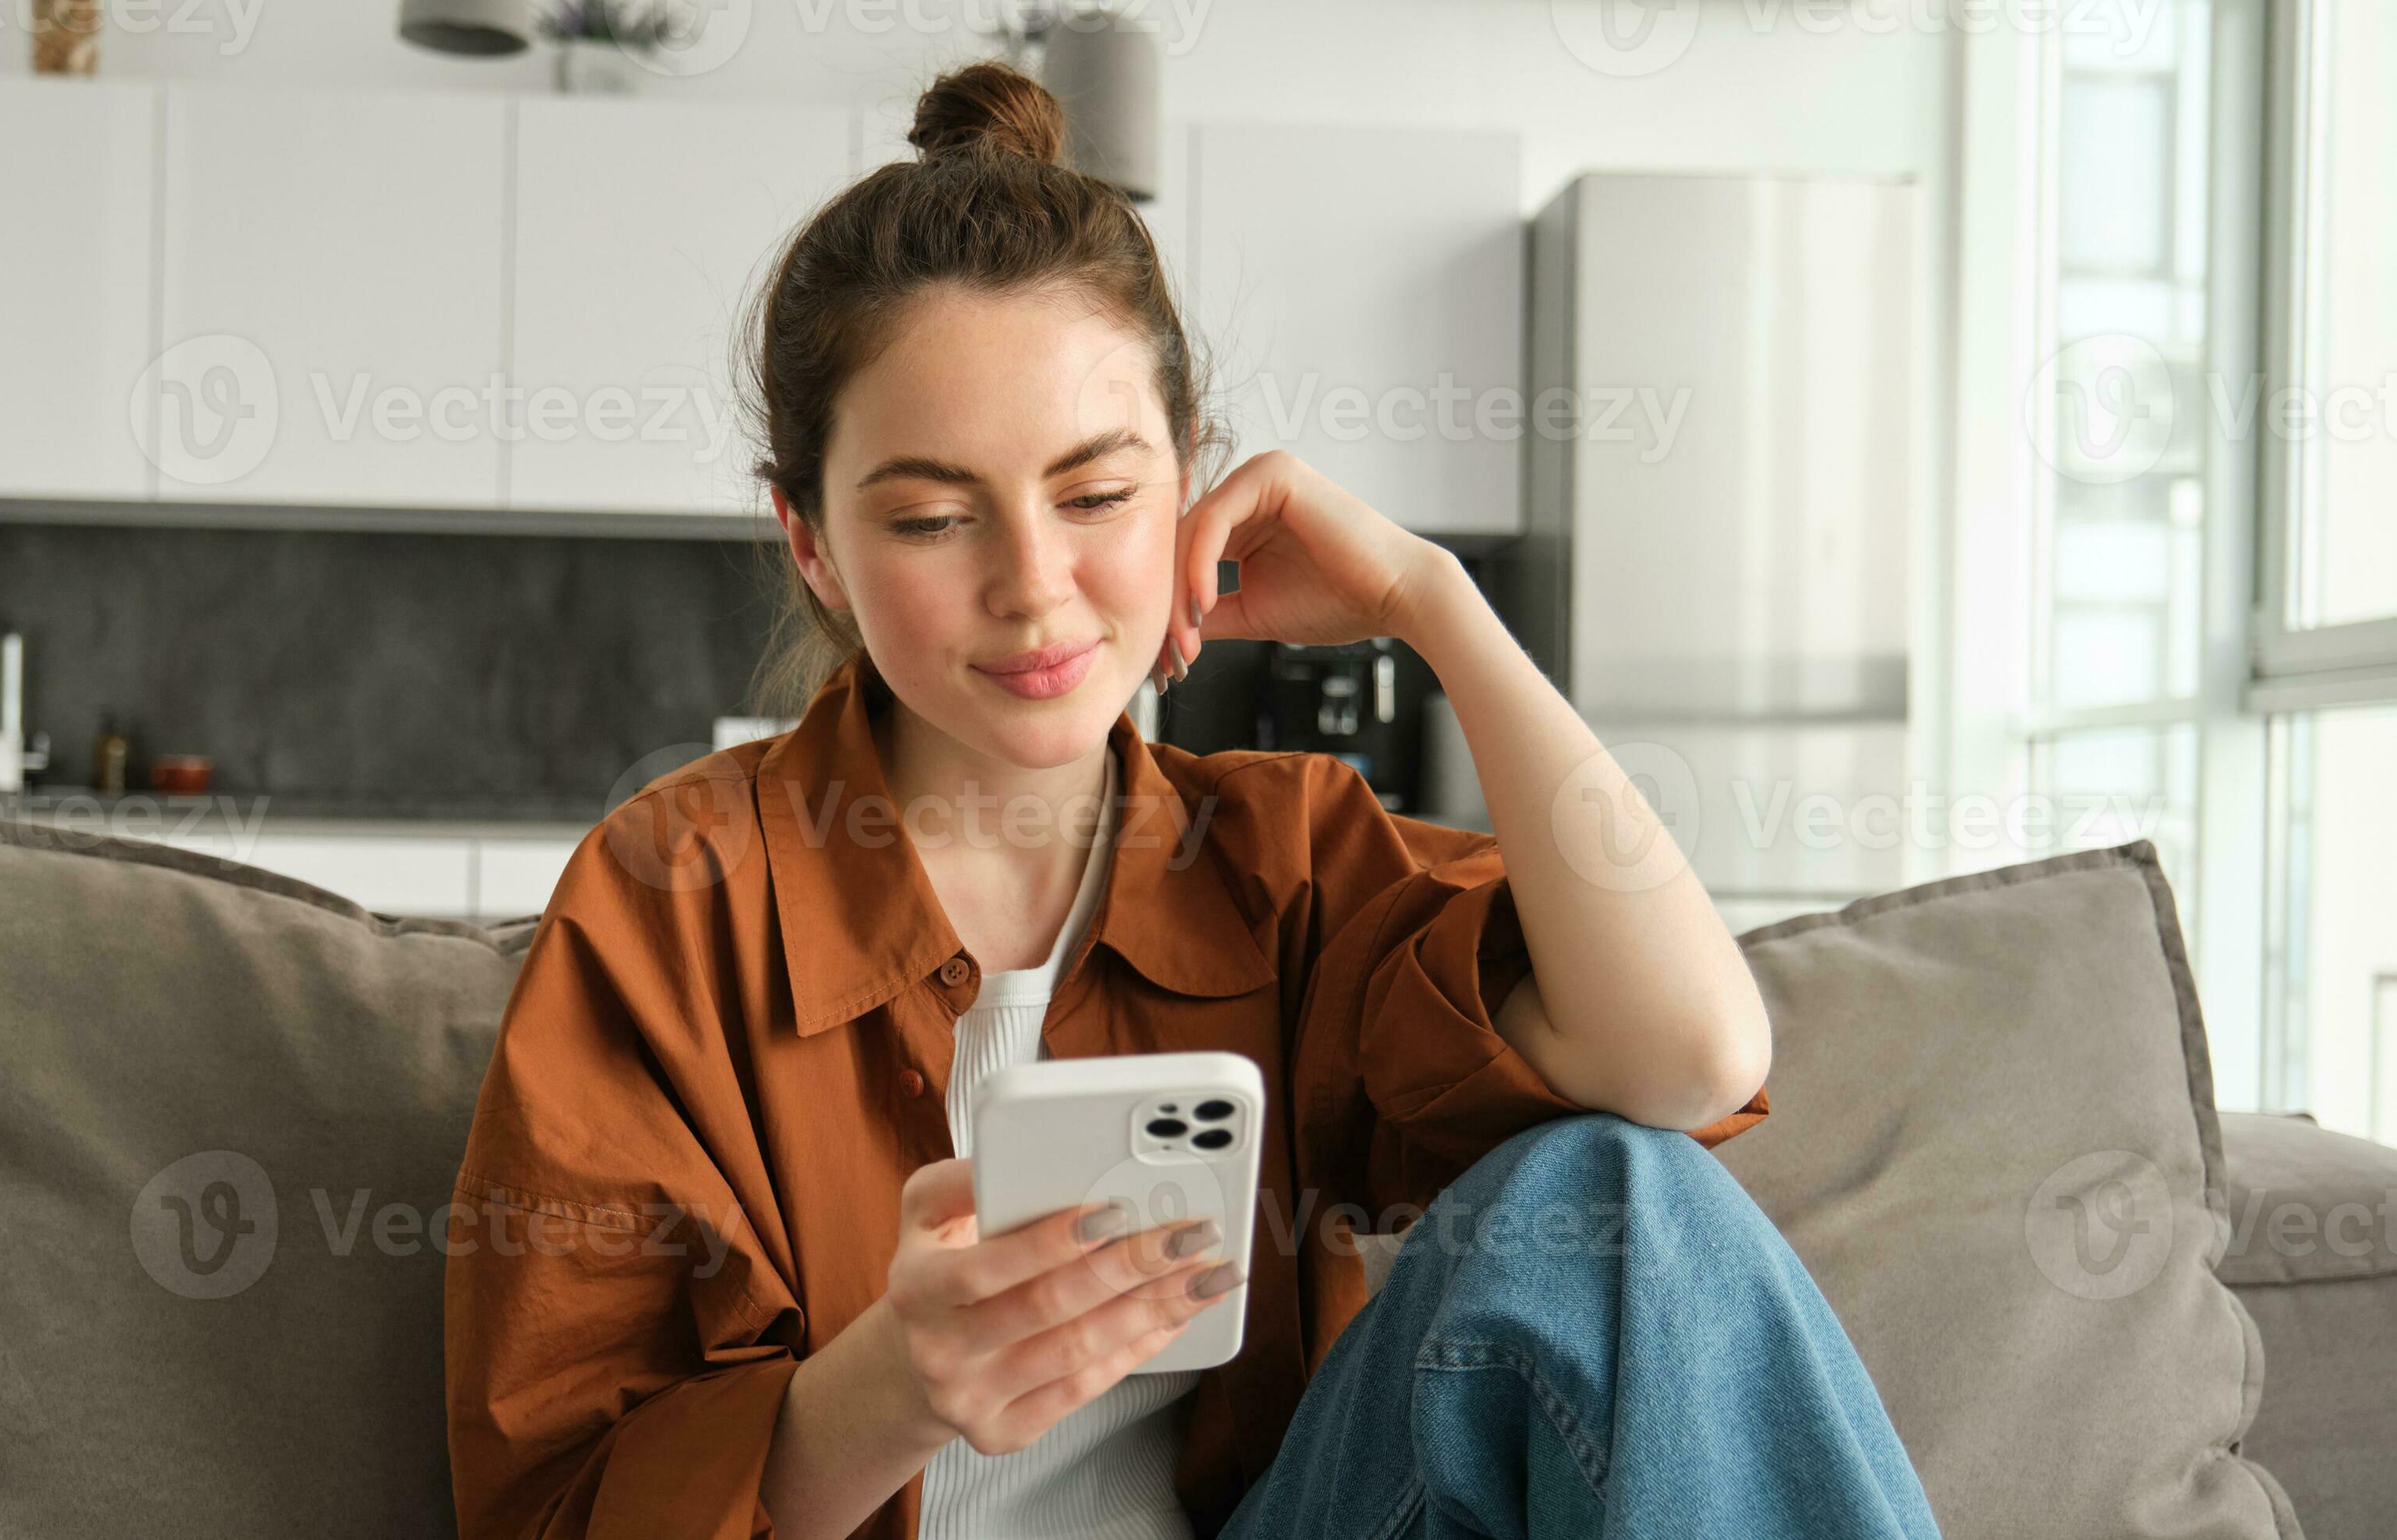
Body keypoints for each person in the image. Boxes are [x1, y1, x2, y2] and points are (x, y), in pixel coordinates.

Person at [442, 61, 1941, 1540]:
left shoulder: (1281, 859)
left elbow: (1686, 1060)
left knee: (1615, 1191)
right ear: (812, 543)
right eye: (932, 517)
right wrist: (888, 1389)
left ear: (1192, 486)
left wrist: (1433, 605)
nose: (1034, 587)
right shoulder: (670, 895)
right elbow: (551, 1513)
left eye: (1097, 496)